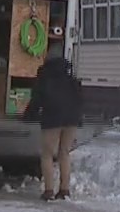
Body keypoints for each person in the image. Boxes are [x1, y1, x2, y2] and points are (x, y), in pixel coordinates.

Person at [23, 46, 83, 201]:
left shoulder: (44, 77)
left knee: (47, 154)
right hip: (71, 118)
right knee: (64, 153)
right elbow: (79, 99)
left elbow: (37, 100)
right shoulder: (71, 79)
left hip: (52, 118)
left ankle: (49, 191)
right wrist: (79, 119)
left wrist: (29, 116)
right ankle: (64, 190)